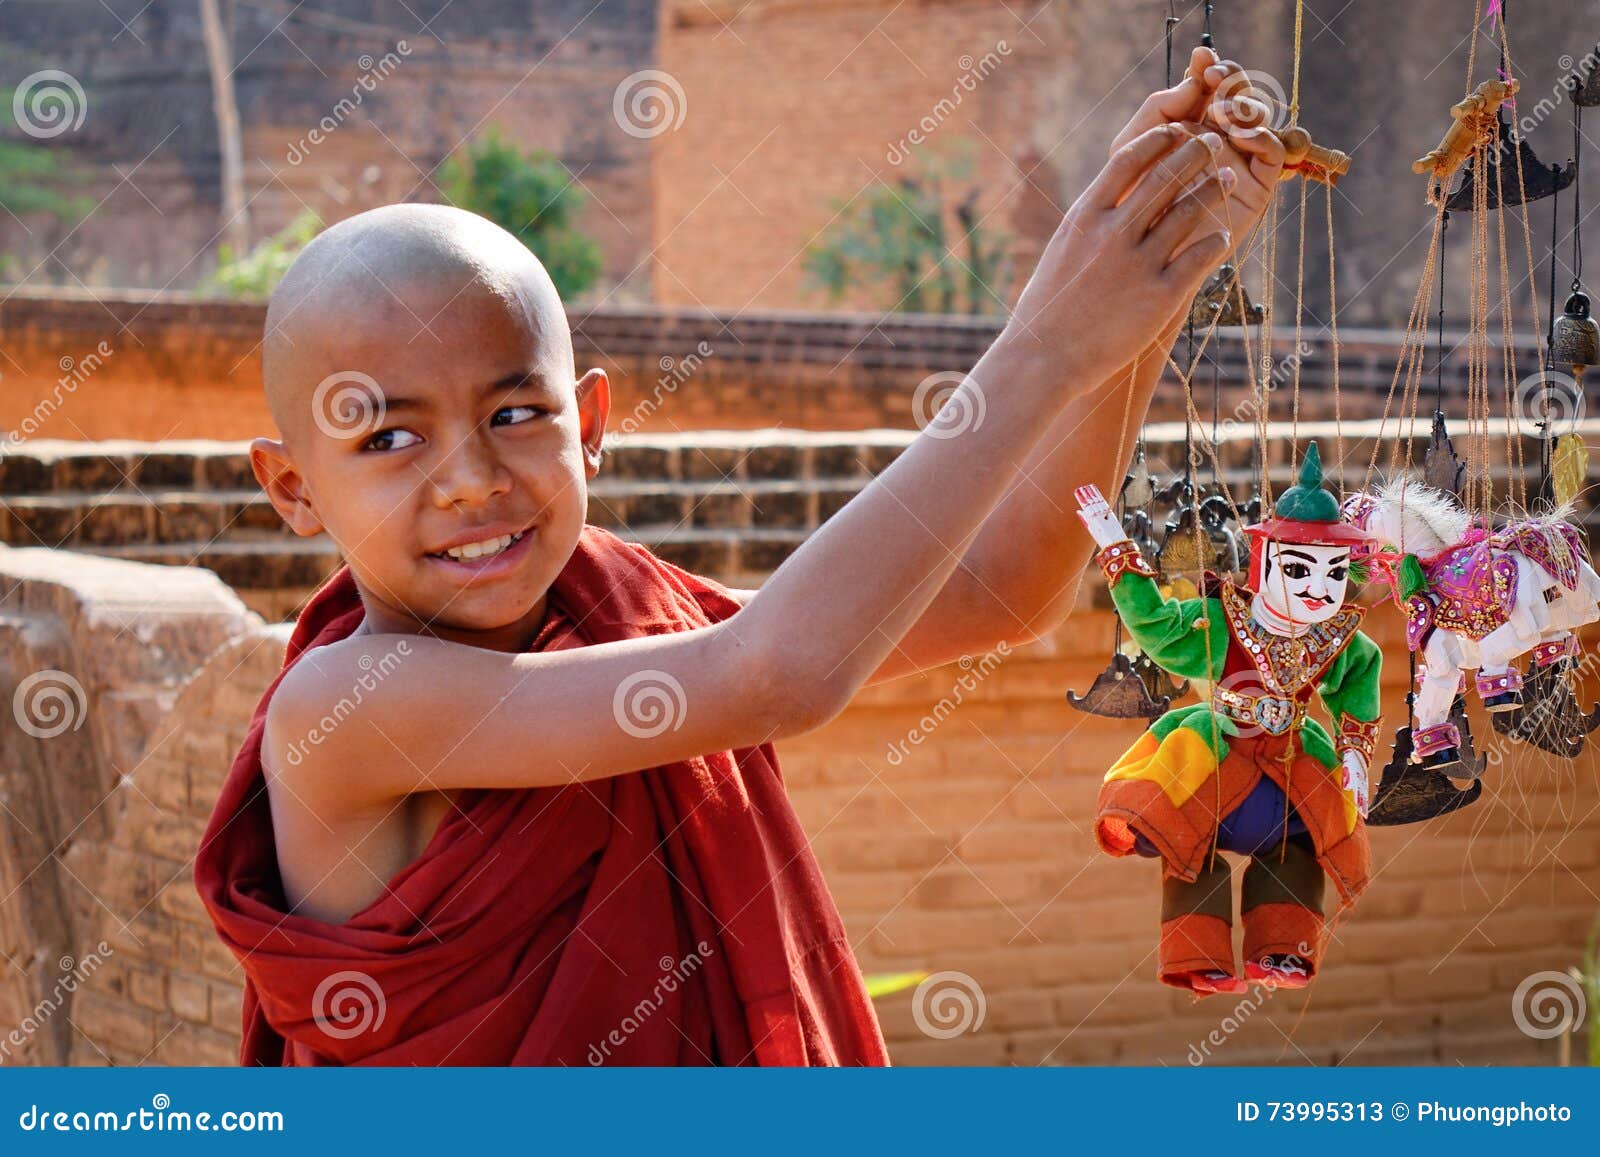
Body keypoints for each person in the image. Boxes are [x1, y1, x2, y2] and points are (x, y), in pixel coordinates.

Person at [195, 48, 1285, 1064]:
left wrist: (1149, 280)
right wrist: (1049, 342)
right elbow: (778, 671)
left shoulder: (626, 612)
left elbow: (1007, 589)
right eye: (388, 436)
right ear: (293, 486)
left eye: (516, 412)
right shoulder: (342, 707)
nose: (472, 476)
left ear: (589, 424)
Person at [1073, 443, 1381, 997]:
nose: (1319, 588)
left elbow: (1361, 679)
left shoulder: (1340, 641)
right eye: (1299, 568)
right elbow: (1159, 627)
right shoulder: (1220, 623)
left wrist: (1355, 756)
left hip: (1292, 766)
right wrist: (1115, 549)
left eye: (1335, 572)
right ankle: (1199, 962)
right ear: (1264, 563)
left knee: (1299, 851)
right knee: (1190, 851)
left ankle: (1282, 951)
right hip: (1214, 759)